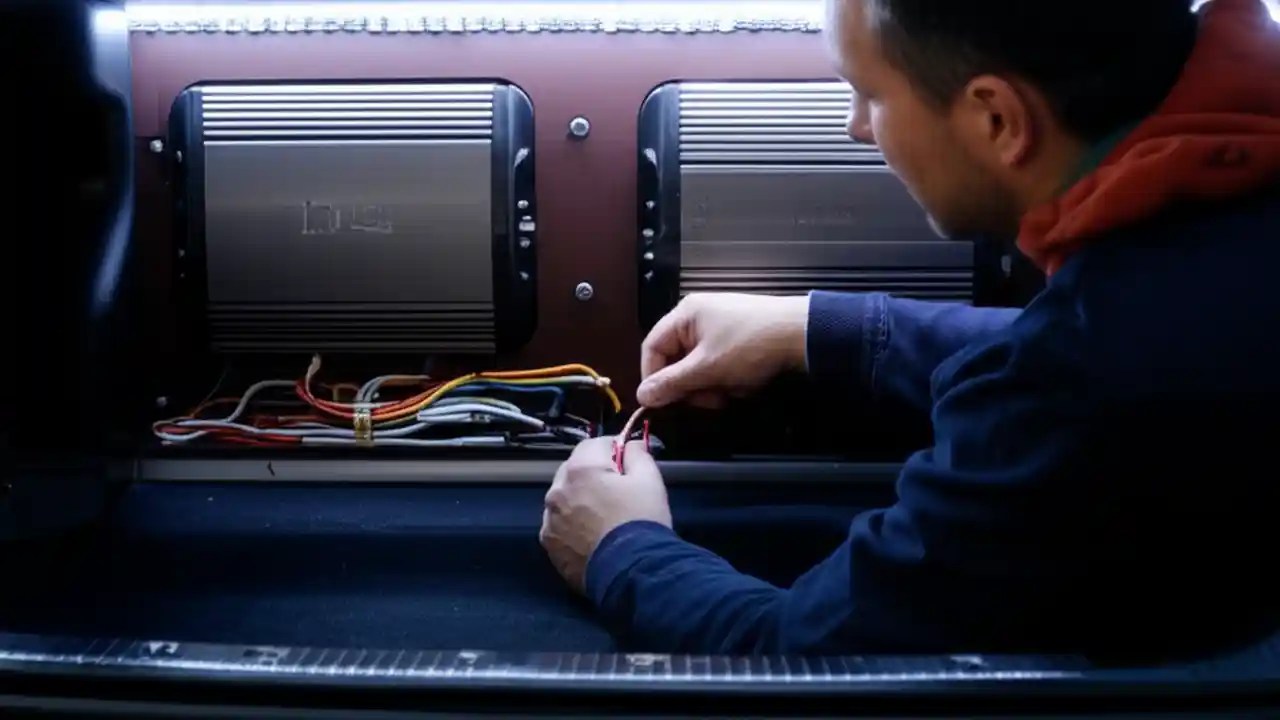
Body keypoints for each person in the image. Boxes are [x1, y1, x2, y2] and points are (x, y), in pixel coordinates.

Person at [540, 0, 1280, 660]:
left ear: (998, 120)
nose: (855, 127)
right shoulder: (1224, 217)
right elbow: (1087, 338)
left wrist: (622, 546)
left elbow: (800, 653)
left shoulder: (1089, 385)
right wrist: (814, 328)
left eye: (869, 94)